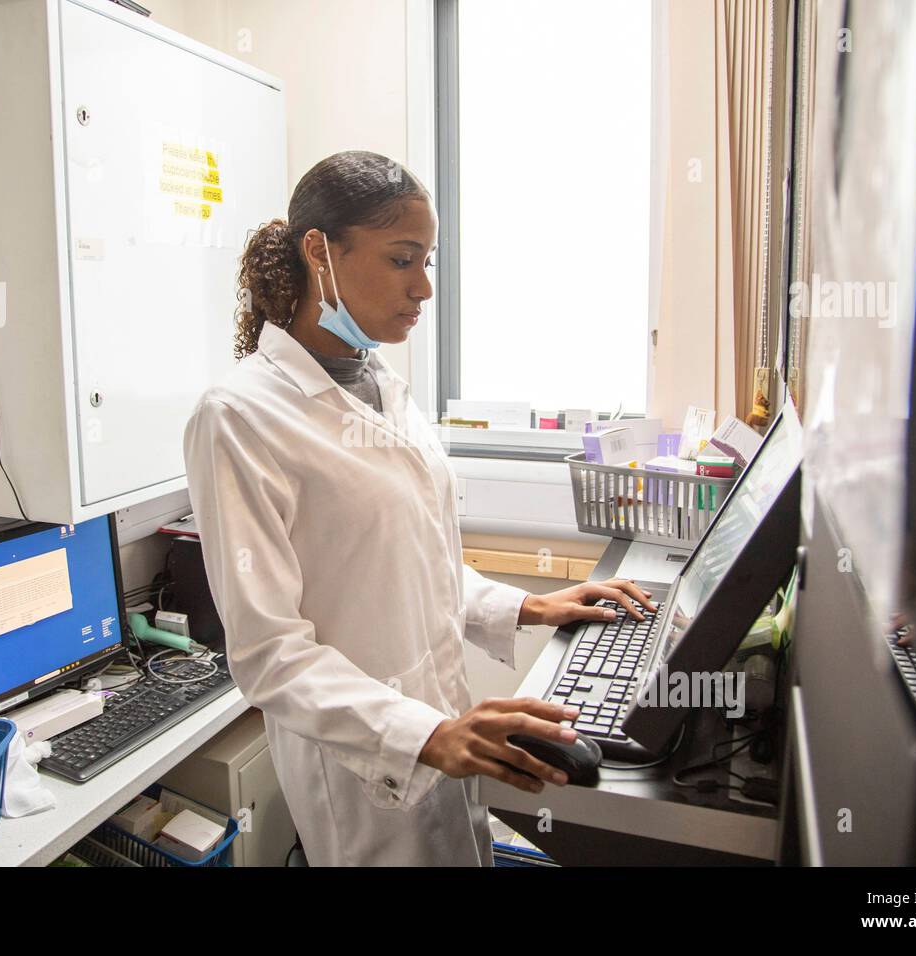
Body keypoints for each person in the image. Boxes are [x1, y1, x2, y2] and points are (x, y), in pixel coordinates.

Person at [183, 150, 655, 866]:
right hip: (360, 774)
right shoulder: (240, 416)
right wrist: (426, 736)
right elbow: (268, 654)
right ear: (320, 253)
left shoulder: (377, 383)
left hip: (440, 732)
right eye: (404, 259)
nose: (424, 288)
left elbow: (413, 558)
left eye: (428, 261)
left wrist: (529, 606)